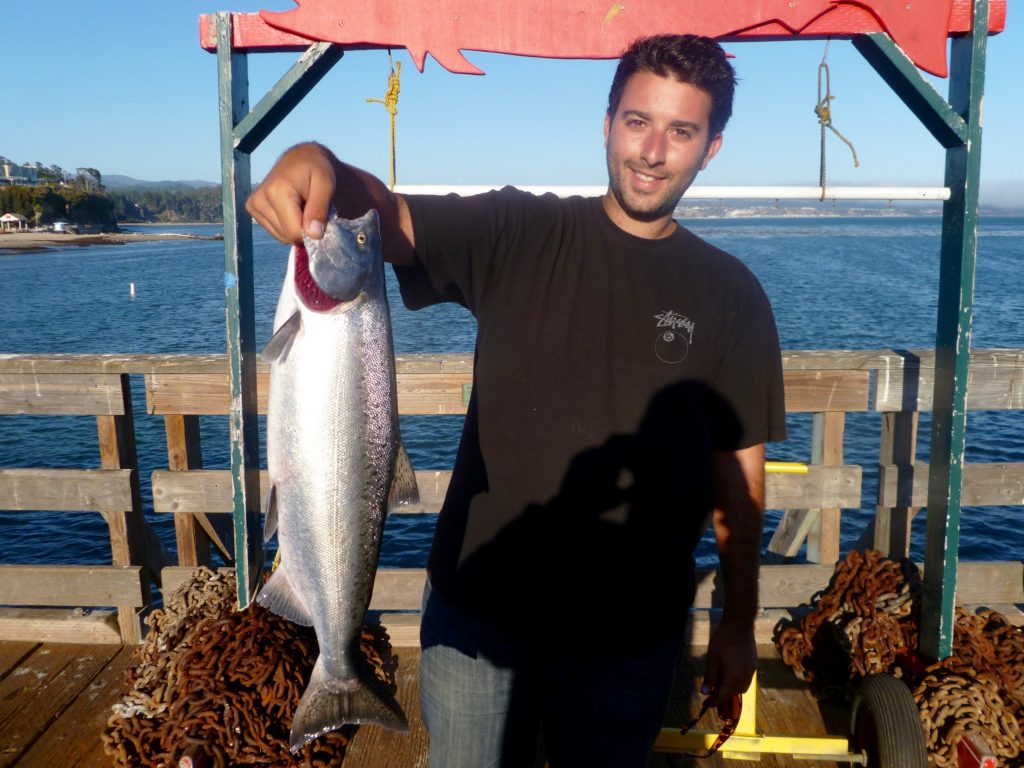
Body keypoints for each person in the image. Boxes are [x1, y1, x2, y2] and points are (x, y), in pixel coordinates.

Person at [248, 34, 786, 768]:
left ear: (711, 147)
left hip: (630, 640)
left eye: (680, 131)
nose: (652, 150)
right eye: (637, 122)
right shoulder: (521, 232)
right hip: (479, 621)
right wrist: (314, 162)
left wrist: (737, 622)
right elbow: (383, 215)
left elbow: (740, 479)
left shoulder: (733, 296)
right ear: (606, 123)